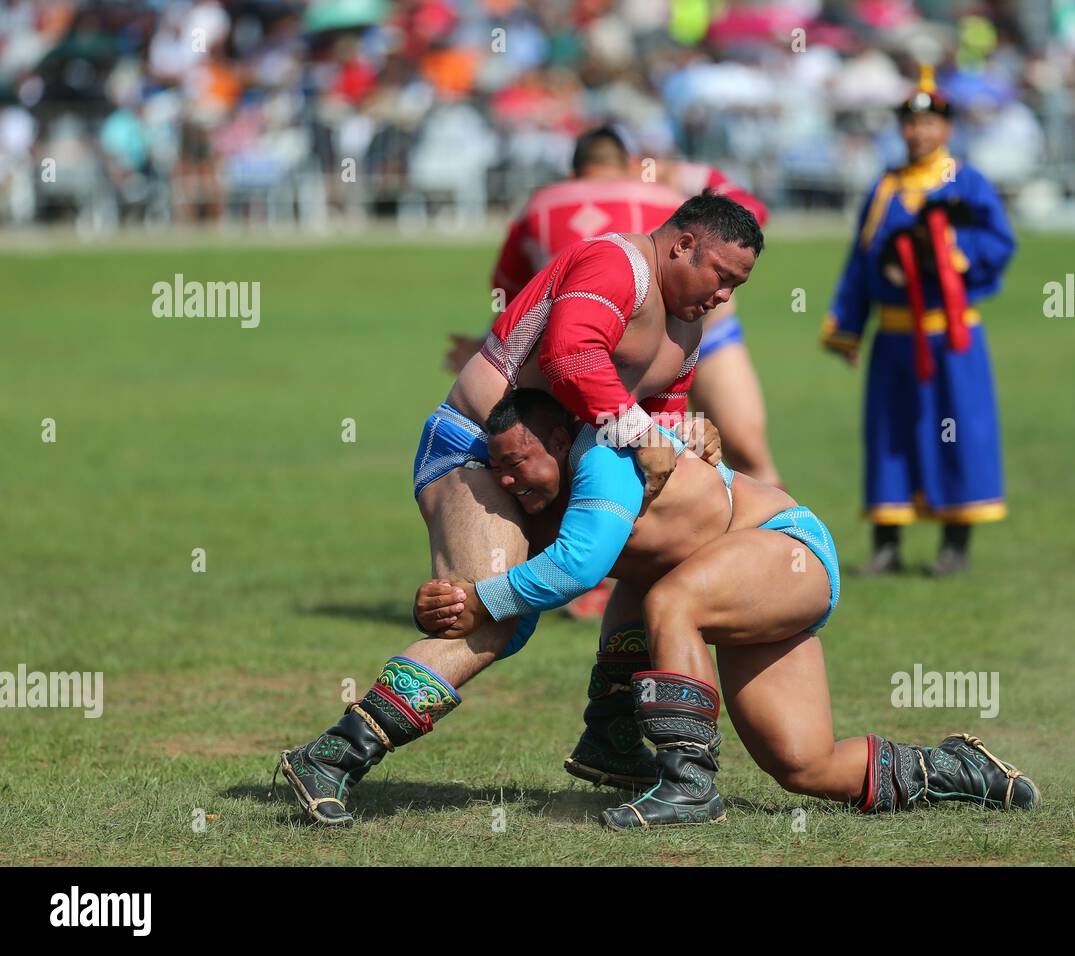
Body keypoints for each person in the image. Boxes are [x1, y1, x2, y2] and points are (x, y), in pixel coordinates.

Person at [273, 193, 763, 827]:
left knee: (656, 559)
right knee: (494, 618)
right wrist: (641, 433)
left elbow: (661, 410)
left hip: (557, 466)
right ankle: (333, 754)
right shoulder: (618, 265)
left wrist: (687, 435)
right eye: (719, 275)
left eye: (736, 285)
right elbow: (570, 356)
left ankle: (610, 733)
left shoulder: (685, 323)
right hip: (478, 451)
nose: (723, 294)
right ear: (682, 245)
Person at [416, 389, 1040, 828]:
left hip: (786, 551)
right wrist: (450, 605)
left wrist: (480, 598)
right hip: (742, 584)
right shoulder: (540, 492)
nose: (505, 481)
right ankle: (959, 770)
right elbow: (529, 598)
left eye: (516, 462)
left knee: (670, 598)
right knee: (805, 764)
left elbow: (576, 569)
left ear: (559, 437)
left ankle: (689, 787)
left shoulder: (602, 458)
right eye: (494, 469)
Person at [447, 126, 783, 488]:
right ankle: (773, 525)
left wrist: (485, 344)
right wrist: (679, 172)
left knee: (573, 472)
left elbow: (512, 294)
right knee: (746, 459)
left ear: (572, 174)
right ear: (629, 166)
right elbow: (749, 217)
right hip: (696, 336)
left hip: (605, 357)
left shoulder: (539, 206)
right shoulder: (666, 197)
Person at [822, 68, 1016, 576]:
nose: (920, 133)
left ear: (946, 129)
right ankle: (887, 544)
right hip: (895, 335)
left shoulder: (966, 182)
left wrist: (951, 250)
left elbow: (1000, 243)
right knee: (890, 434)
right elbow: (860, 264)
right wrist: (848, 327)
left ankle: (956, 543)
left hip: (951, 335)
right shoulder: (884, 188)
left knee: (959, 432)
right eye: (911, 124)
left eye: (930, 123)